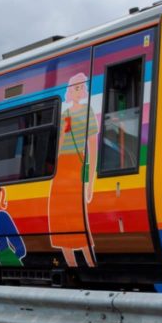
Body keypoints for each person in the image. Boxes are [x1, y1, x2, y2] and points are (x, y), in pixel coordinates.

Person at [48, 73, 98, 267]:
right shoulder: (64, 115)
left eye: (81, 87)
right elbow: (58, 147)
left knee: (78, 218)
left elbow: (92, 147)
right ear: (70, 91)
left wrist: (91, 182)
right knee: (60, 219)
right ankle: (72, 265)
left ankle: (90, 263)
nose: (79, 91)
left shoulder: (88, 111)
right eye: (75, 87)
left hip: (76, 166)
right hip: (60, 170)